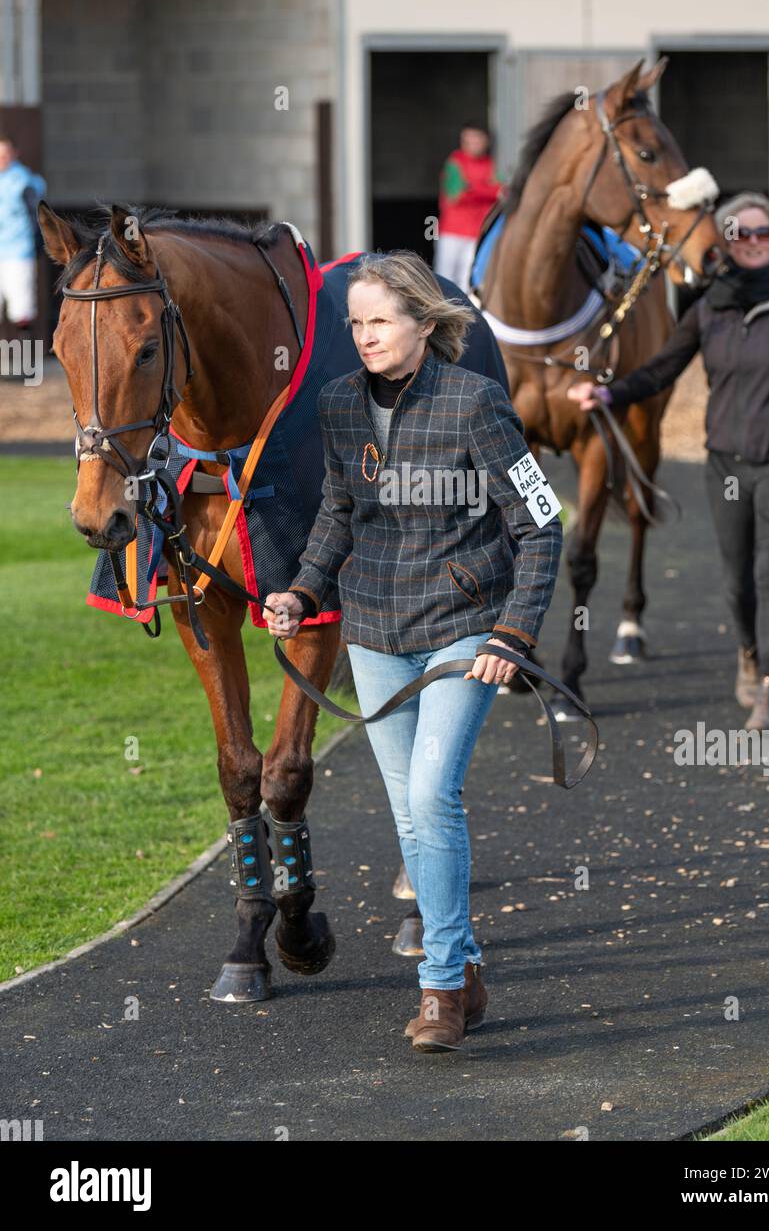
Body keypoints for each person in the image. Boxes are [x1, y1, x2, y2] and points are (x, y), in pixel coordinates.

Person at [264, 250, 563, 1052]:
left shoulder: (476, 404)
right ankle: (464, 966)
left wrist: (514, 632)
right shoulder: (336, 406)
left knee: (433, 798)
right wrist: (301, 592)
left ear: (425, 325)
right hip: (373, 631)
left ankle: (438, 992)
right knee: (407, 813)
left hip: (465, 625)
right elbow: (335, 513)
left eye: (380, 321)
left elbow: (541, 524)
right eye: (355, 322)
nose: (364, 336)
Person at [567, 192, 769, 733]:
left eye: (764, 232)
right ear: (726, 245)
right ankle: (748, 649)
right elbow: (659, 371)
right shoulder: (706, 312)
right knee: (736, 581)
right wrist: (608, 395)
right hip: (725, 464)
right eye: (742, 234)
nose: (755, 242)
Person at [433, 122, 501, 293]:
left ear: (486, 141)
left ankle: (467, 319)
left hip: (477, 232)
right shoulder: (455, 161)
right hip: (452, 231)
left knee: (469, 280)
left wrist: (473, 187)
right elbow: (457, 194)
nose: (472, 143)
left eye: (477, 139)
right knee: (444, 279)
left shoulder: (492, 165)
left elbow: (503, 193)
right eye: (467, 139)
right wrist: (488, 190)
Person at [0, 135, 46, 330]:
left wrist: (38, 244)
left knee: (21, 308)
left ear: (14, 154)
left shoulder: (23, 181)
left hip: (17, 251)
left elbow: (35, 215)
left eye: (5, 154)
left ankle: (24, 354)